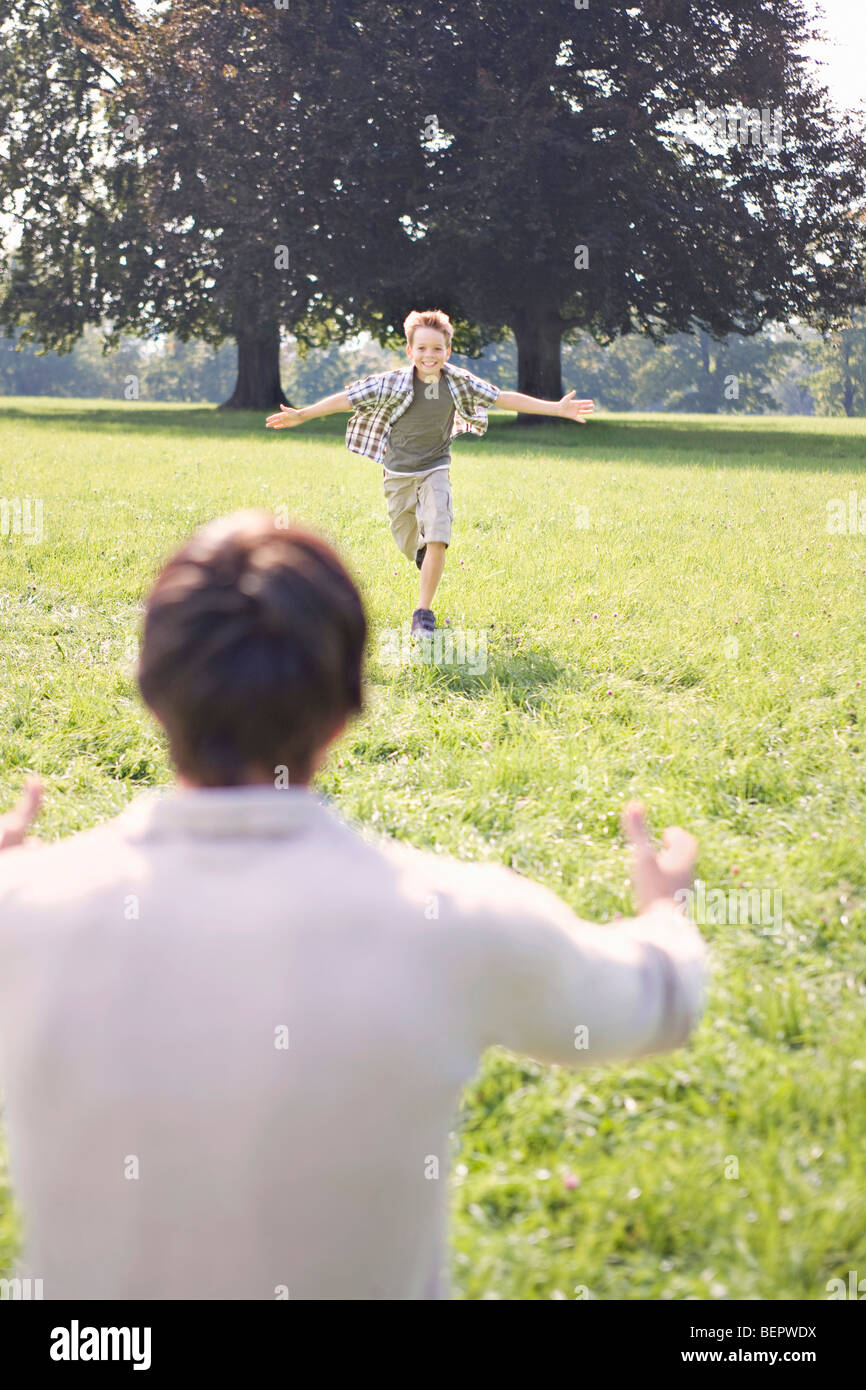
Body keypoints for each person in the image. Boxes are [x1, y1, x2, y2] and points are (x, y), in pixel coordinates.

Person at [0, 510, 707, 1300]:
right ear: (344, 712)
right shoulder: (459, 918)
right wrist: (665, 913)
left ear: (151, 693)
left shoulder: (22, 911)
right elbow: (660, 1003)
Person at [266, 309, 594, 634]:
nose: (429, 355)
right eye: (421, 348)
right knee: (408, 542)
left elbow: (502, 398)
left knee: (438, 534)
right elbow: (348, 398)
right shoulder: (390, 382)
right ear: (410, 351)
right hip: (397, 474)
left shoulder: (458, 382)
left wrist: (556, 408)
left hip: (436, 466)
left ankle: (423, 613)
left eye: (437, 348)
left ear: (447, 352)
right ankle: (424, 555)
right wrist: (303, 414)